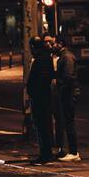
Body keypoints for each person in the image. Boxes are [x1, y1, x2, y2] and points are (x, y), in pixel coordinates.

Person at [26, 36, 55, 164]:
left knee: (41, 126)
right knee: (45, 126)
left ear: (34, 47)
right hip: (45, 97)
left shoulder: (39, 59)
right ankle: (46, 152)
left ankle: (45, 154)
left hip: (39, 98)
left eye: (31, 47)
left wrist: (32, 93)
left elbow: (39, 80)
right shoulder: (47, 57)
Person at [55, 39, 81, 161]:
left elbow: (68, 77)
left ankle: (74, 152)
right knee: (67, 122)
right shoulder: (64, 56)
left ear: (61, 44)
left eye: (55, 43)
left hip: (69, 94)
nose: (53, 46)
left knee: (69, 122)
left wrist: (62, 90)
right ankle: (72, 151)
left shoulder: (66, 57)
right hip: (68, 93)